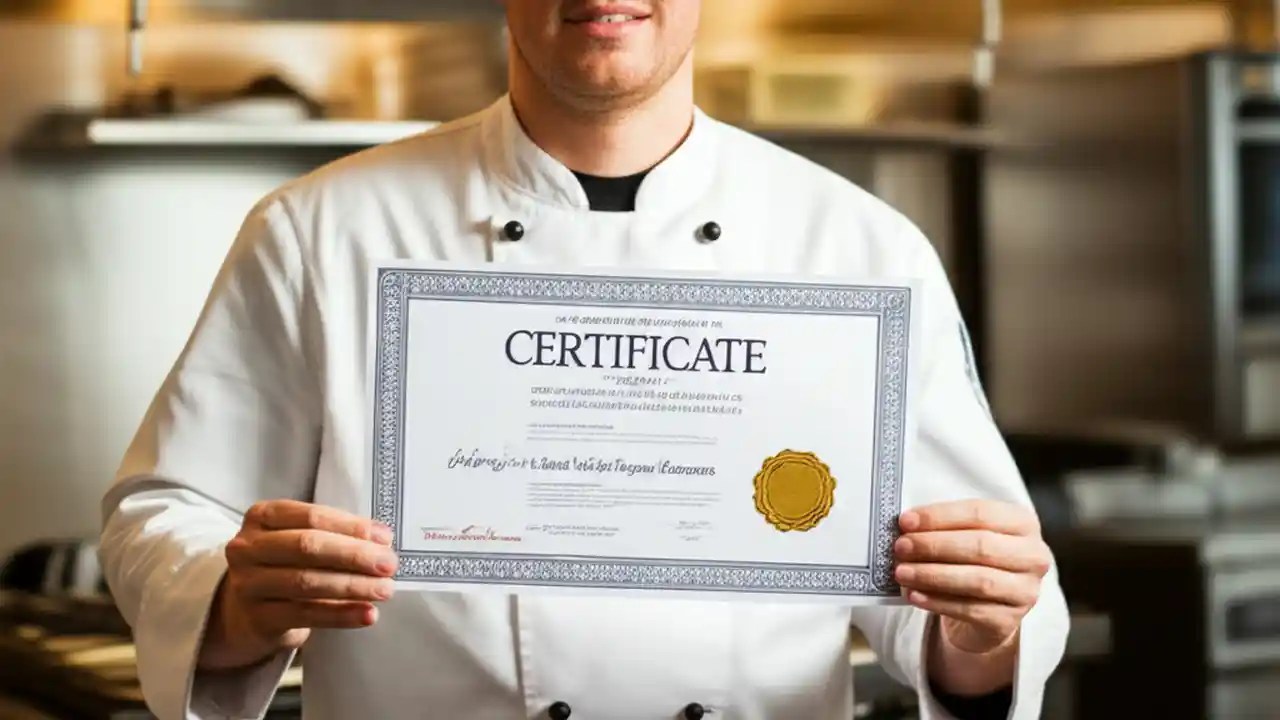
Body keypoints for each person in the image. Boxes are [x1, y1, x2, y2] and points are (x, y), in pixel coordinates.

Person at [98, 1, 1069, 718]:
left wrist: (980, 626)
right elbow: (160, 514)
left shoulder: (859, 250)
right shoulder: (320, 230)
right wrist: (235, 595)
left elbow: (951, 609)